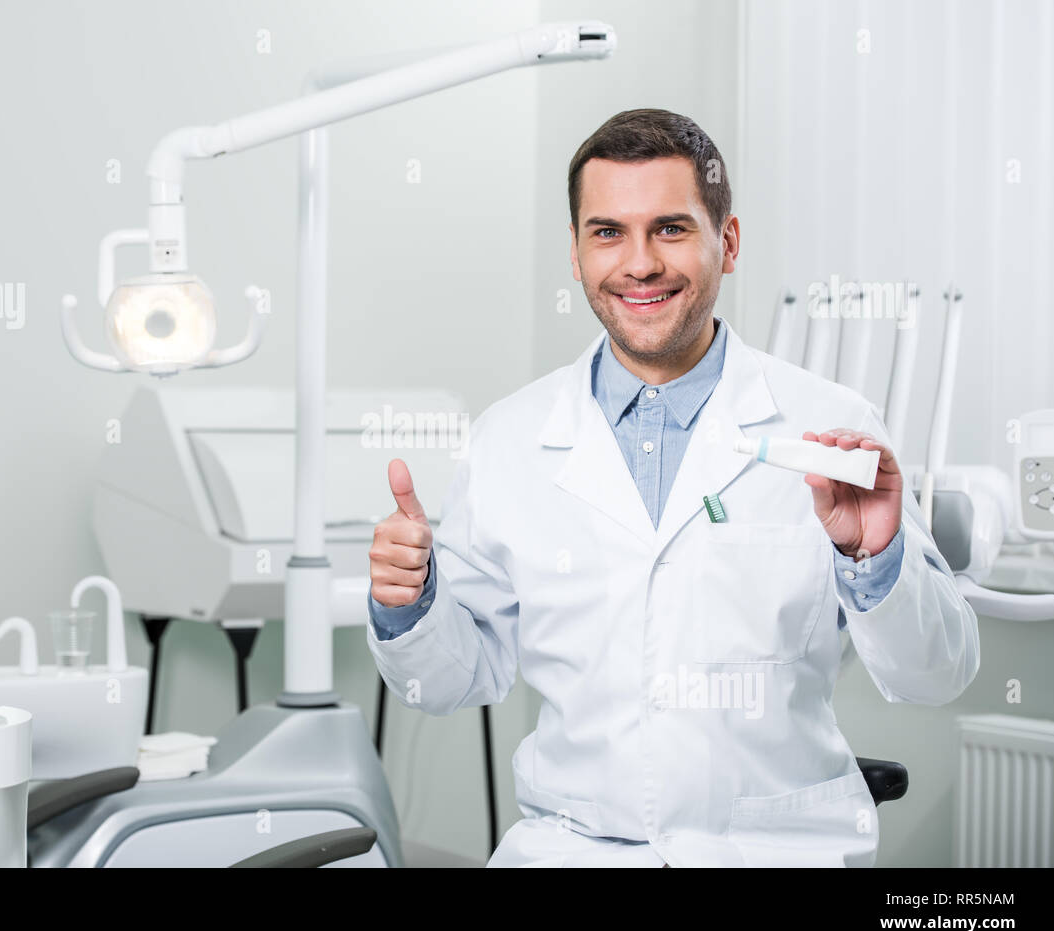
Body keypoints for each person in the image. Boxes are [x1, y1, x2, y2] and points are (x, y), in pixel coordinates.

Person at [365, 109, 979, 867]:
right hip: (571, 850)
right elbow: (452, 681)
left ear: (728, 242)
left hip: (771, 852)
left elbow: (936, 674)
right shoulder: (510, 438)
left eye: (671, 228)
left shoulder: (832, 426)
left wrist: (877, 560)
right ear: (576, 251)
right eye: (608, 232)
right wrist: (410, 605)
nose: (640, 263)